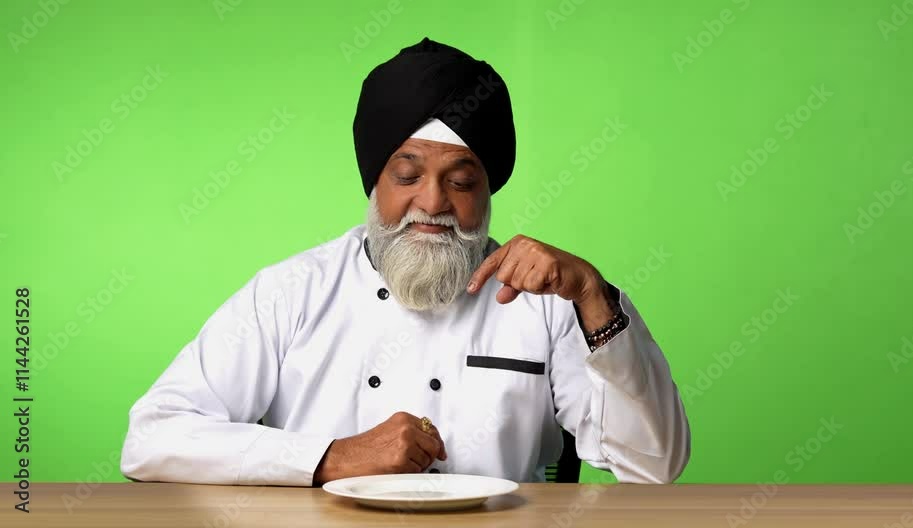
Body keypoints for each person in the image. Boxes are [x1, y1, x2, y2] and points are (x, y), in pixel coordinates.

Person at [120, 37, 690, 486]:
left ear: (488, 191)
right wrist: (331, 457)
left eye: (461, 181)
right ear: (375, 182)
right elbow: (152, 439)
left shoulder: (547, 300)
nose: (433, 202)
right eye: (408, 175)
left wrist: (593, 296)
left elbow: (654, 465)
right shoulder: (292, 292)